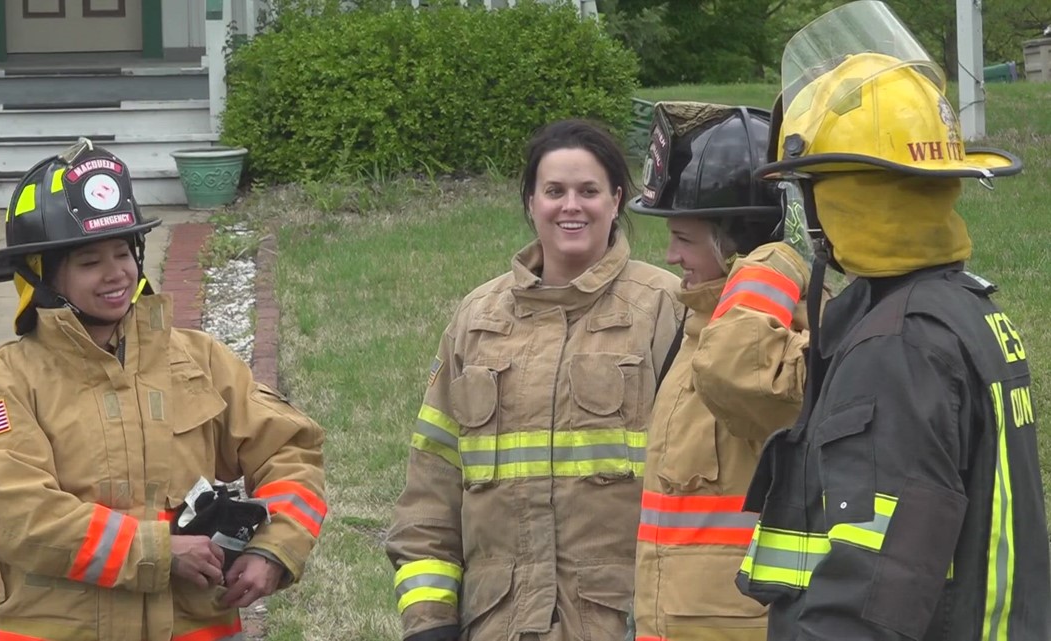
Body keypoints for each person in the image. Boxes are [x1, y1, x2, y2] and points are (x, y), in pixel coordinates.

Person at [734, 2, 1051, 639]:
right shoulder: (962, 307)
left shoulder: (899, 346)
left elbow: (873, 589)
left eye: (809, 185)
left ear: (837, 195)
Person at [0, 139, 327, 641]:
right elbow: (10, 513)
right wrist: (154, 549)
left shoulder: (197, 360)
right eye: (90, 262)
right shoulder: (8, 383)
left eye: (123, 253)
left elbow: (290, 449)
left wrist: (275, 548)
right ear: (42, 274)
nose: (116, 274)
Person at [385, 119, 684, 641]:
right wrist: (429, 623)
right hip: (498, 622)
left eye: (588, 191)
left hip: (623, 622)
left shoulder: (666, 309)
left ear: (616, 201)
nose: (572, 206)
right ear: (530, 202)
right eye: (554, 191)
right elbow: (431, 487)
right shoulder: (476, 319)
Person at [626, 102, 812, 641]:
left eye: (684, 240)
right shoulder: (700, 328)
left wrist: (769, 267)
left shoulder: (787, 333)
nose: (669, 256)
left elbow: (740, 375)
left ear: (738, 244)